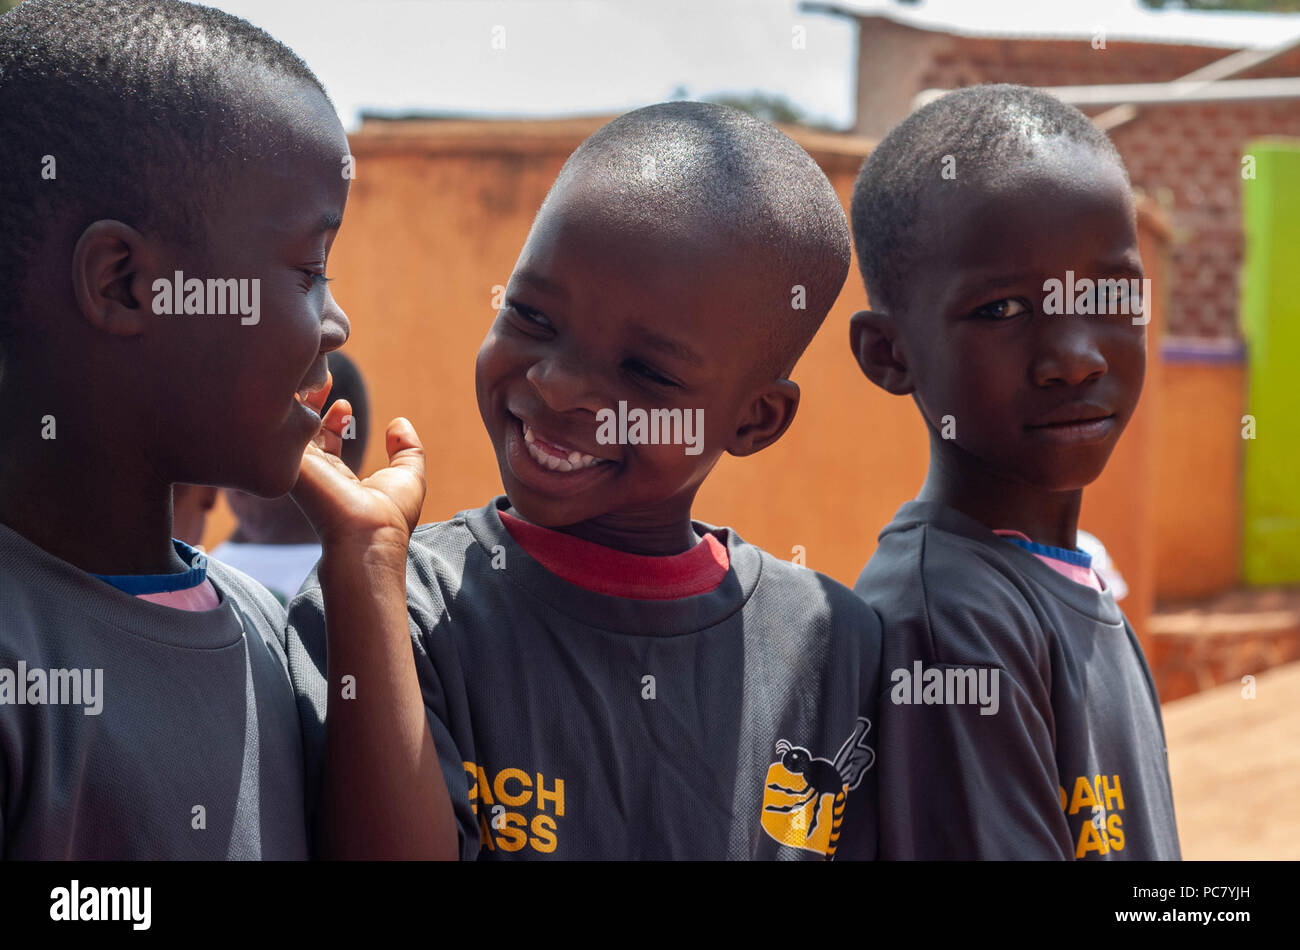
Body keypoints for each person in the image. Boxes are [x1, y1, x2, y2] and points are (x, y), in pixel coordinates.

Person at [289, 101, 884, 860]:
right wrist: (367, 564)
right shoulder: (394, 610)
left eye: (647, 372)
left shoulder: (834, 647)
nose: (559, 384)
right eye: (532, 317)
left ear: (755, 419)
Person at [0, 0, 452, 860]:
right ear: (126, 284)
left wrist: (366, 560)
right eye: (310, 270)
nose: (338, 322)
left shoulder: (262, 626)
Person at [847, 83, 1180, 859]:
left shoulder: (1075, 578)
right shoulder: (948, 620)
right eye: (1002, 309)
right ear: (889, 354)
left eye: (1108, 293)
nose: (1075, 357)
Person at [213, 350, 371, 603]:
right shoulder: (207, 573)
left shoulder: (360, 582)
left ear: (335, 454)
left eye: (260, 444)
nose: (235, 468)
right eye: (229, 441)